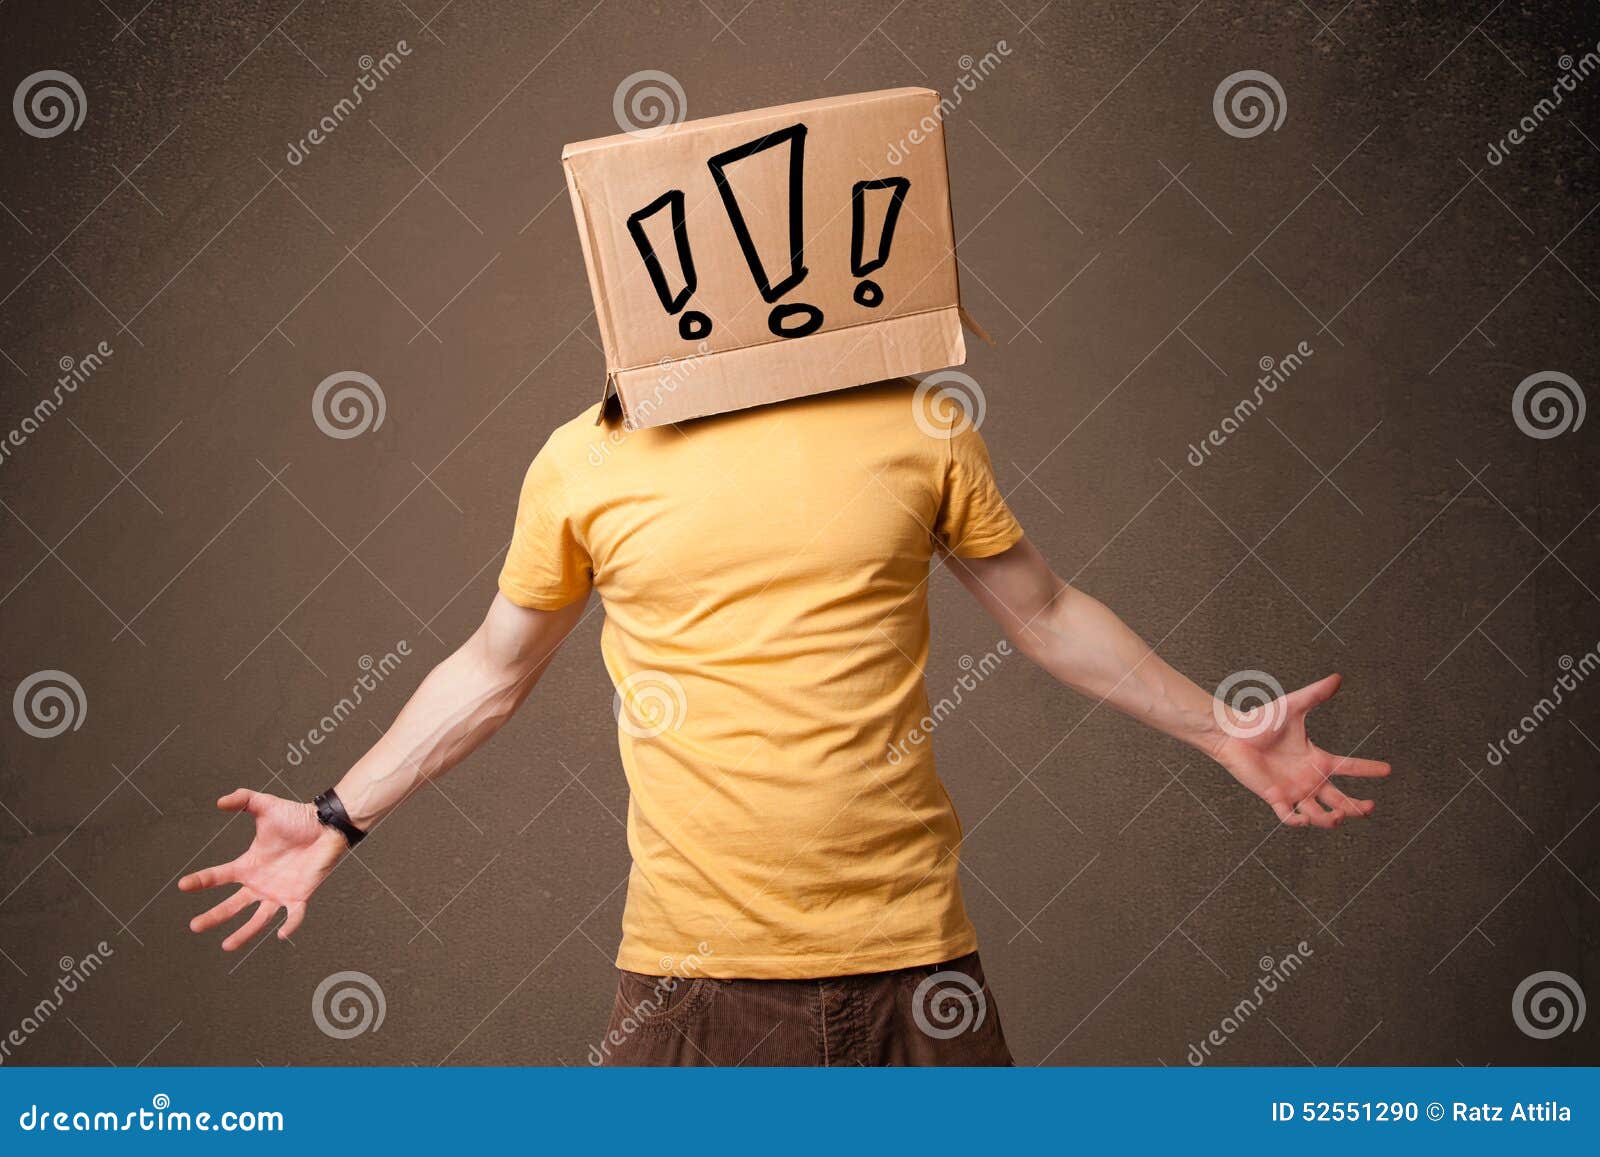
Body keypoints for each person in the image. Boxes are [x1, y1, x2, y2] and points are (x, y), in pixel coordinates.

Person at [179, 378, 1390, 1066]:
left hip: (920, 973)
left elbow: (1046, 611)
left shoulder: (914, 423)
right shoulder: (585, 458)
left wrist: (1221, 727)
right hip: (691, 983)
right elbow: (493, 668)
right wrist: (338, 812)